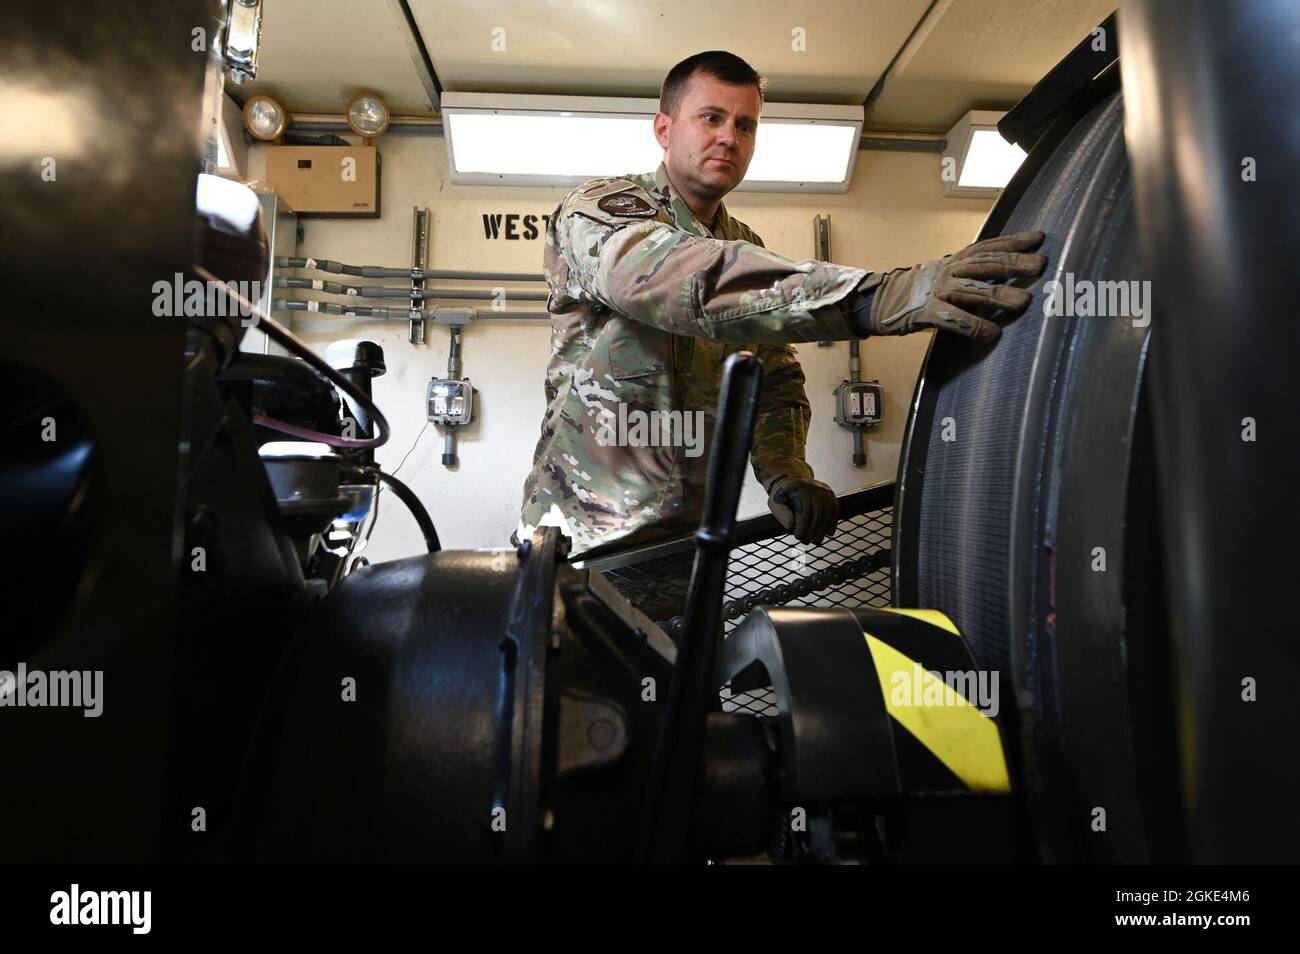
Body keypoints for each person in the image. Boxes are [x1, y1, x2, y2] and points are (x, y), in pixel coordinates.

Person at [516, 50, 1046, 557]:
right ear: (664, 129)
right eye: (711, 117)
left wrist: (785, 469)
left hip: (688, 543)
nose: (729, 137)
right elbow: (665, 278)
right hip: (582, 543)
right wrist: (877, 297)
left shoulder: (744, 242)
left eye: (745, 125)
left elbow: (774, 376)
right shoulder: (603, 209)